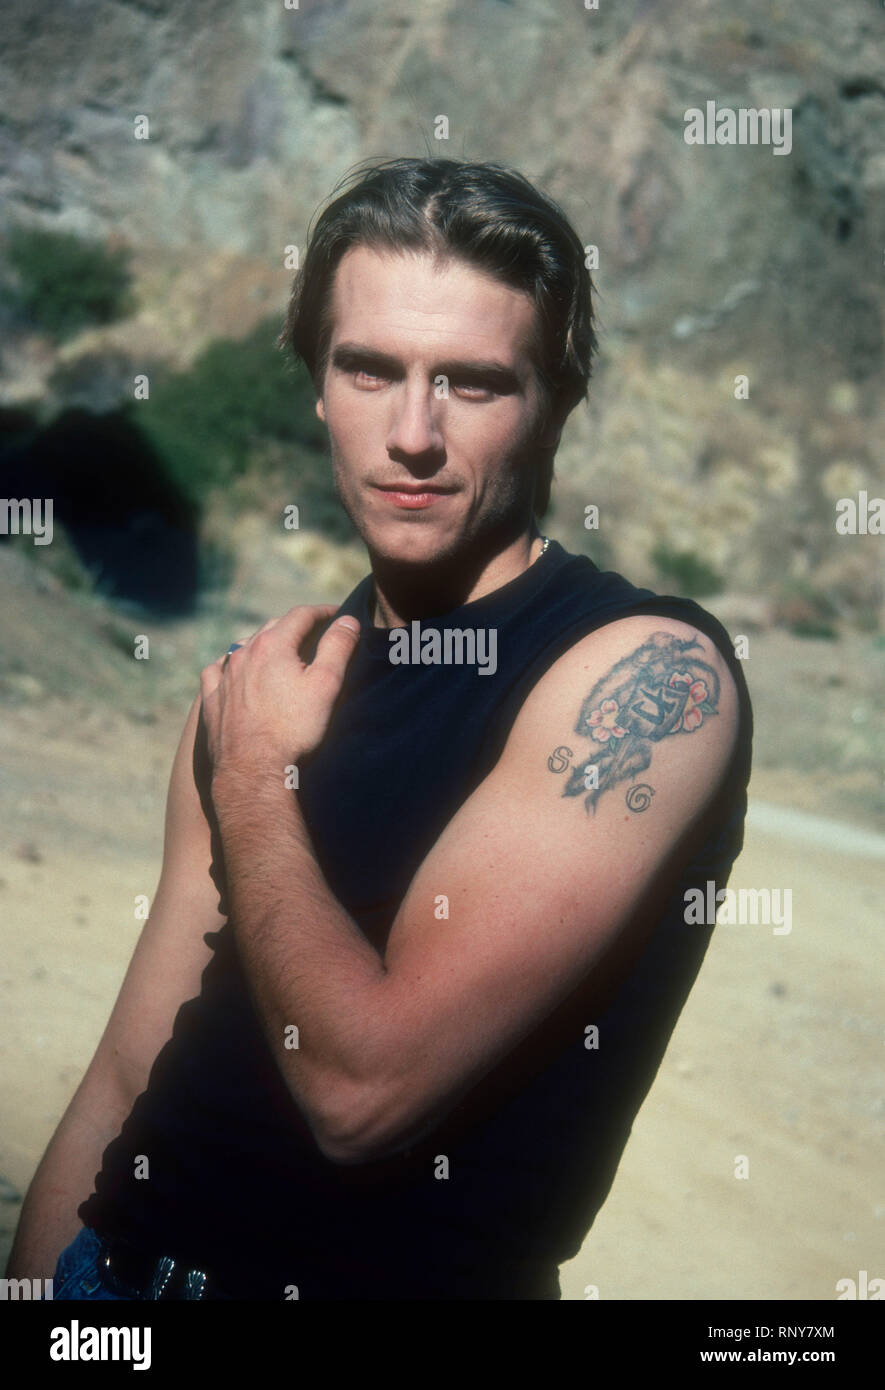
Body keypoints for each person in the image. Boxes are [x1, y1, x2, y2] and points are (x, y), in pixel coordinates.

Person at [7, 156, 752, 1301]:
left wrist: (255, 778)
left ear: (557, 400)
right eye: (369, 369)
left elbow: (364, 1092)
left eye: (473, 381)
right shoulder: (266, 686)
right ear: (318, 384)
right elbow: (124, 1069)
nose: (412, 433)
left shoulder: (645, 667)